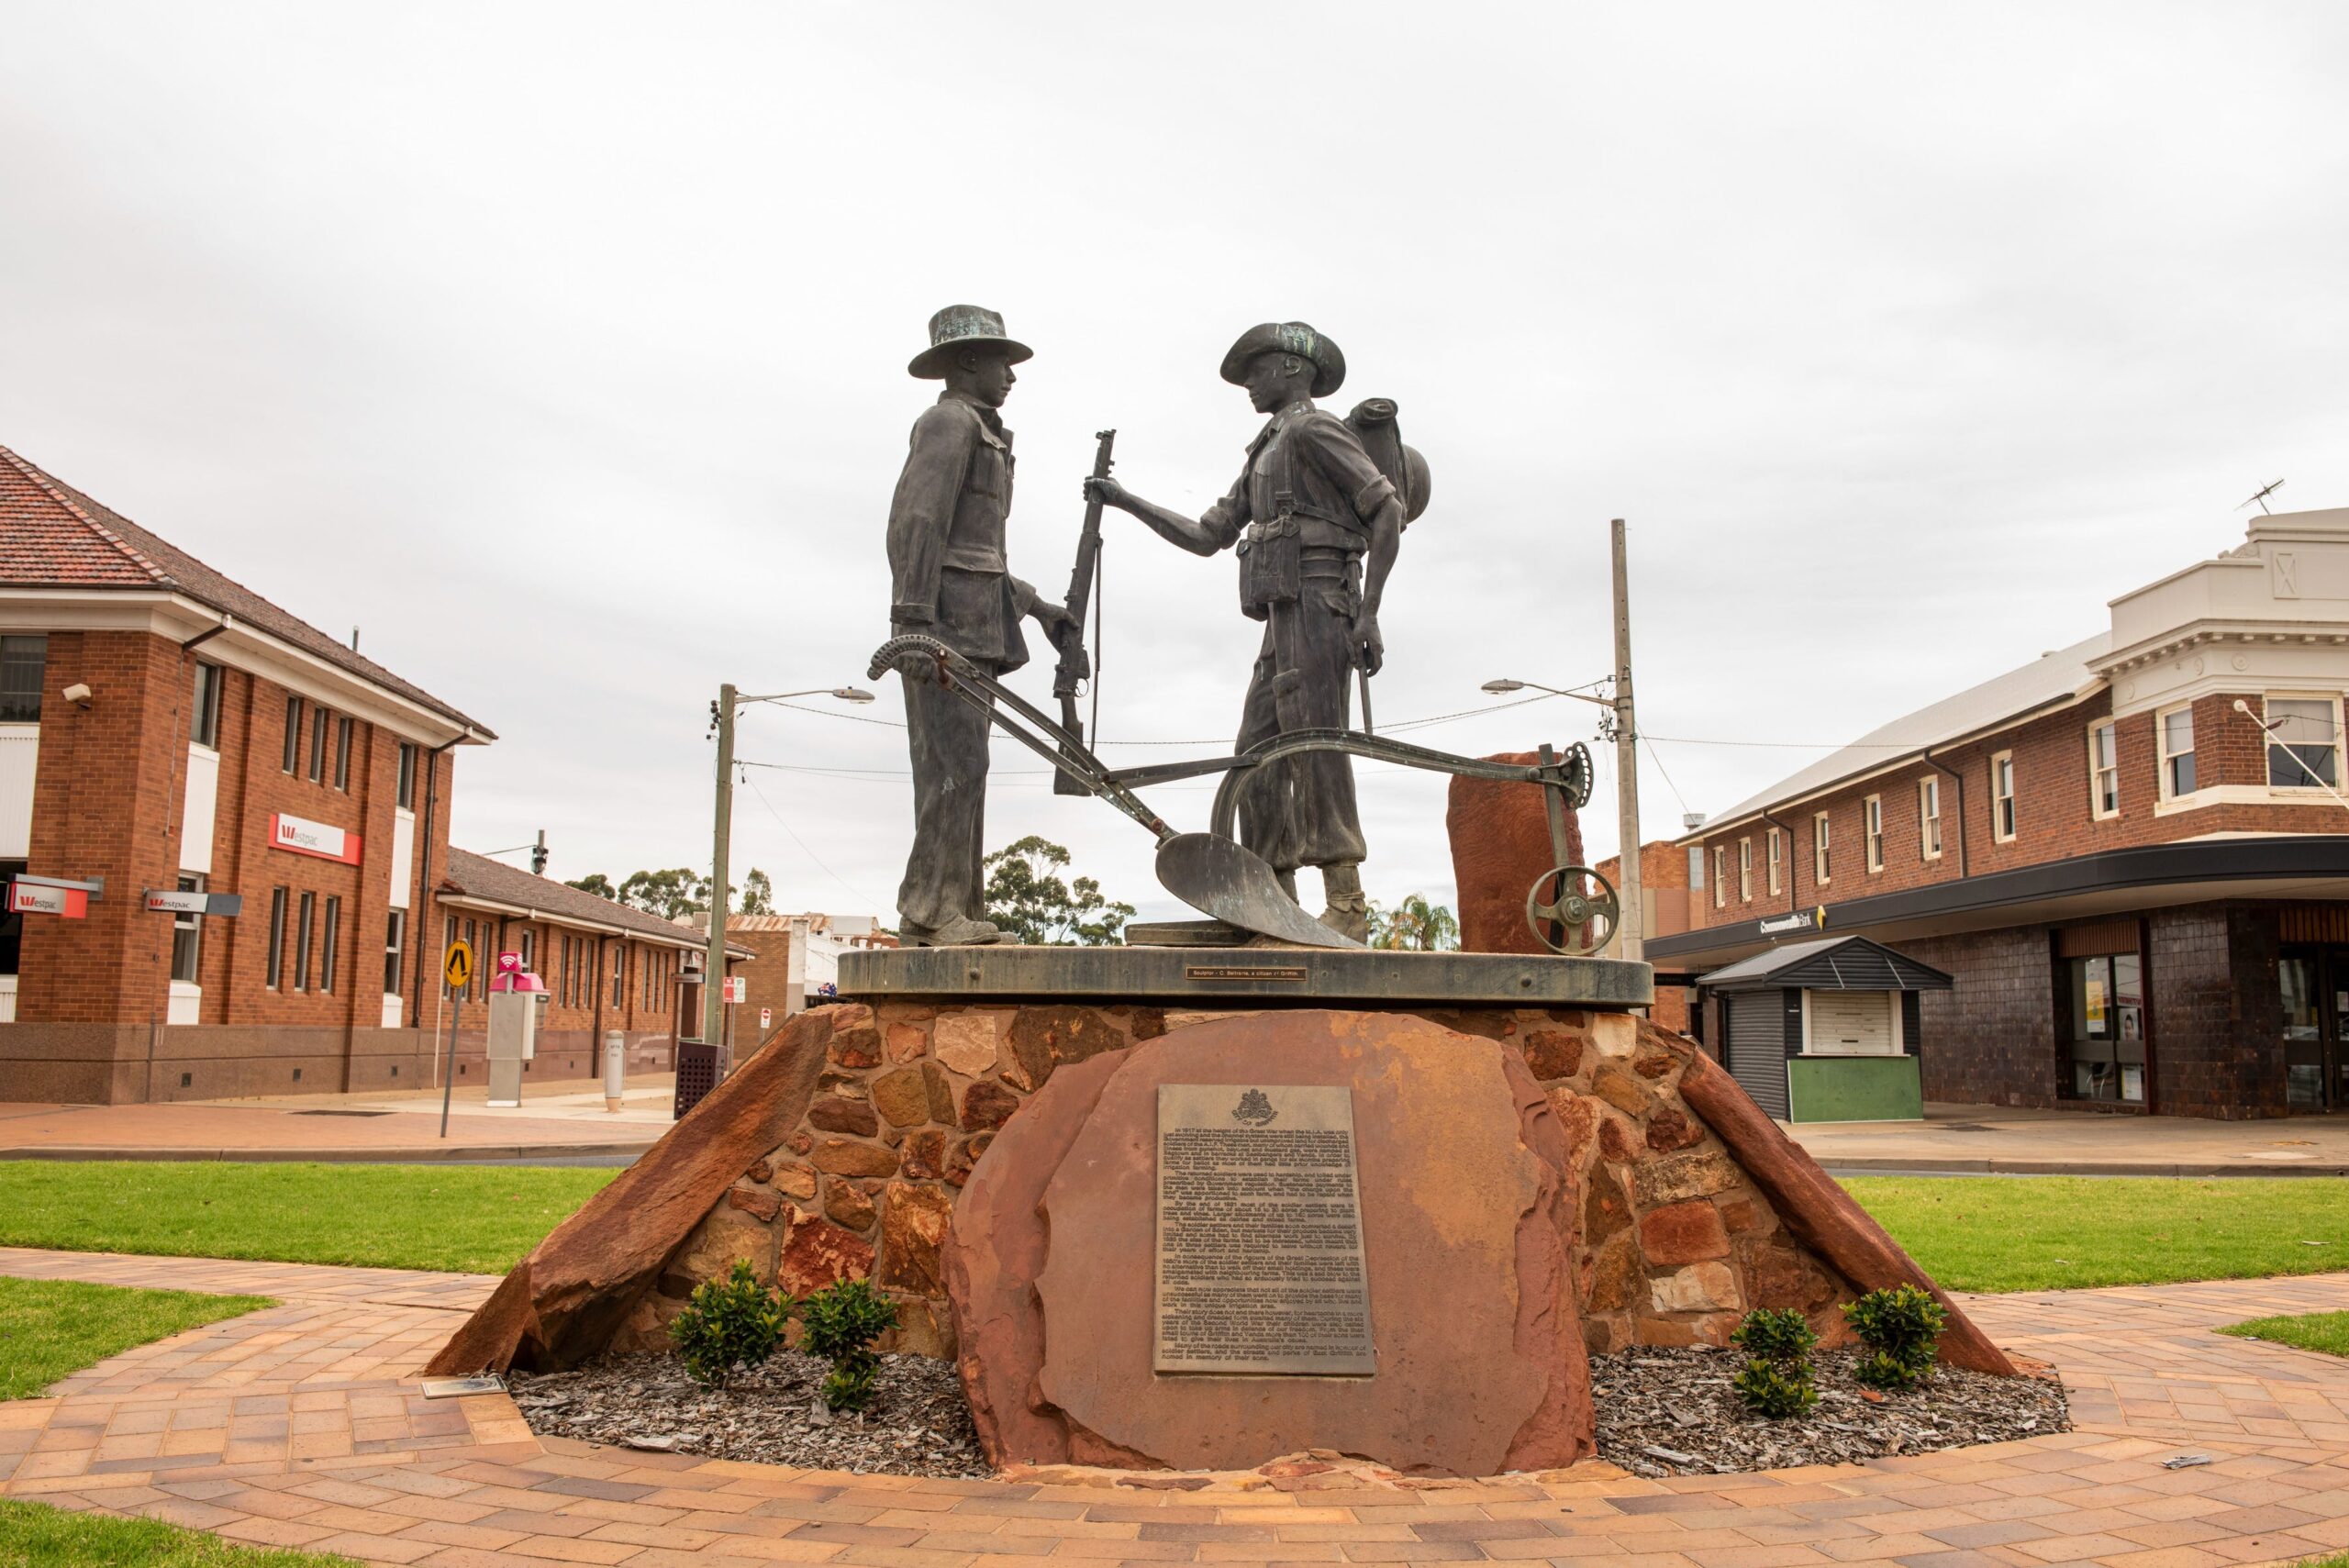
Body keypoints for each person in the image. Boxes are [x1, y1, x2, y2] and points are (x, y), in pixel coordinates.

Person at [1085, 321, 1404, 940]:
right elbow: (1209, 535)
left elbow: (1385, 507)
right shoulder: (1266, 447)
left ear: (1291, 369)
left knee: (1314, 745)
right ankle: (1274, 895)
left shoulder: (1314, 429)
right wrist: (1123, 499)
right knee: (1255, 759)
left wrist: (1369, 613)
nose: (1248, 384)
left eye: (1255, 370)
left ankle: (1346, 902)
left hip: (1320, 603)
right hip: (1283, 611)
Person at [886, 306, 1075, 946]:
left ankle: (953, 905)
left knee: (968, 766)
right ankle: (932, 908)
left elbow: (979, 554)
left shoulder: (985, 433)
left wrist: (1037, 607)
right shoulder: (947, 423)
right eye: (1003, 362)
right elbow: (916, 523)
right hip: (944, 630)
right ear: (968, 361)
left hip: (974, 625)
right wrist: (913, 623)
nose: (1012, 377)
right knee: (952, 765)